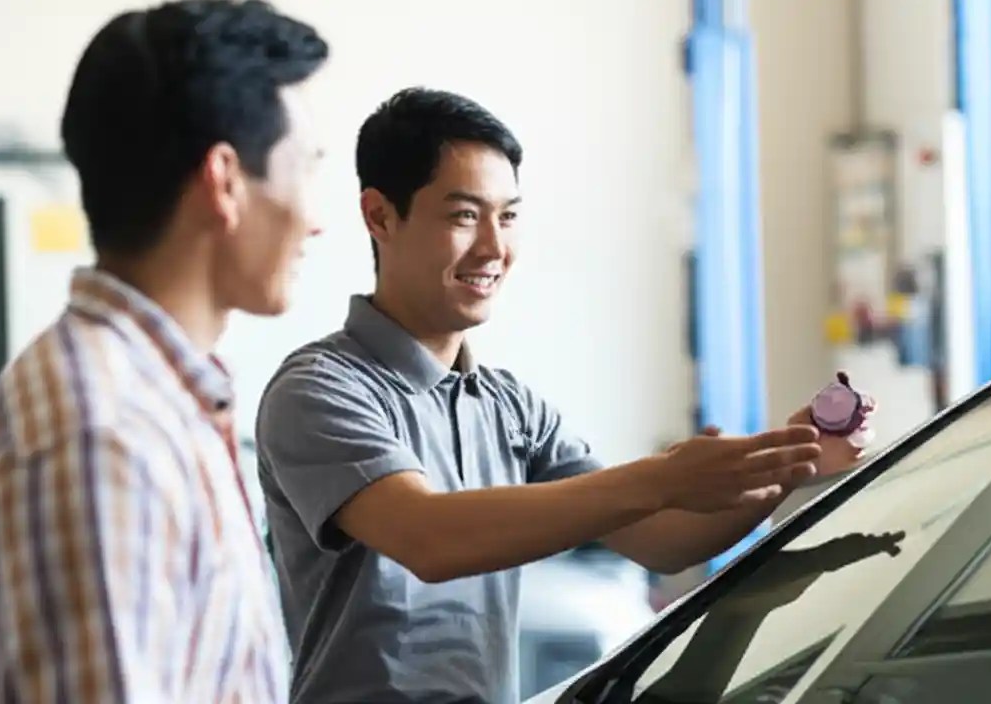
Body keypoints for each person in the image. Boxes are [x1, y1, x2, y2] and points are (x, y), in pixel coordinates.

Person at [255, 87, 874, 704]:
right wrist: (663, 477)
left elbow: (661, 538)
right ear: (380, 216)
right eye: (464, 215)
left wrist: (790, 464)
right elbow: (430, 538)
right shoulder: (320, 389)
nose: (495, 248)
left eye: (509, 215)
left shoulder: (510, 406)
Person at [0, 0, 327, 702]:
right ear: (225, 182)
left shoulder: (159, 403)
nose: (317, 217)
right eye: (305, 167)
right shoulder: (101, 437)